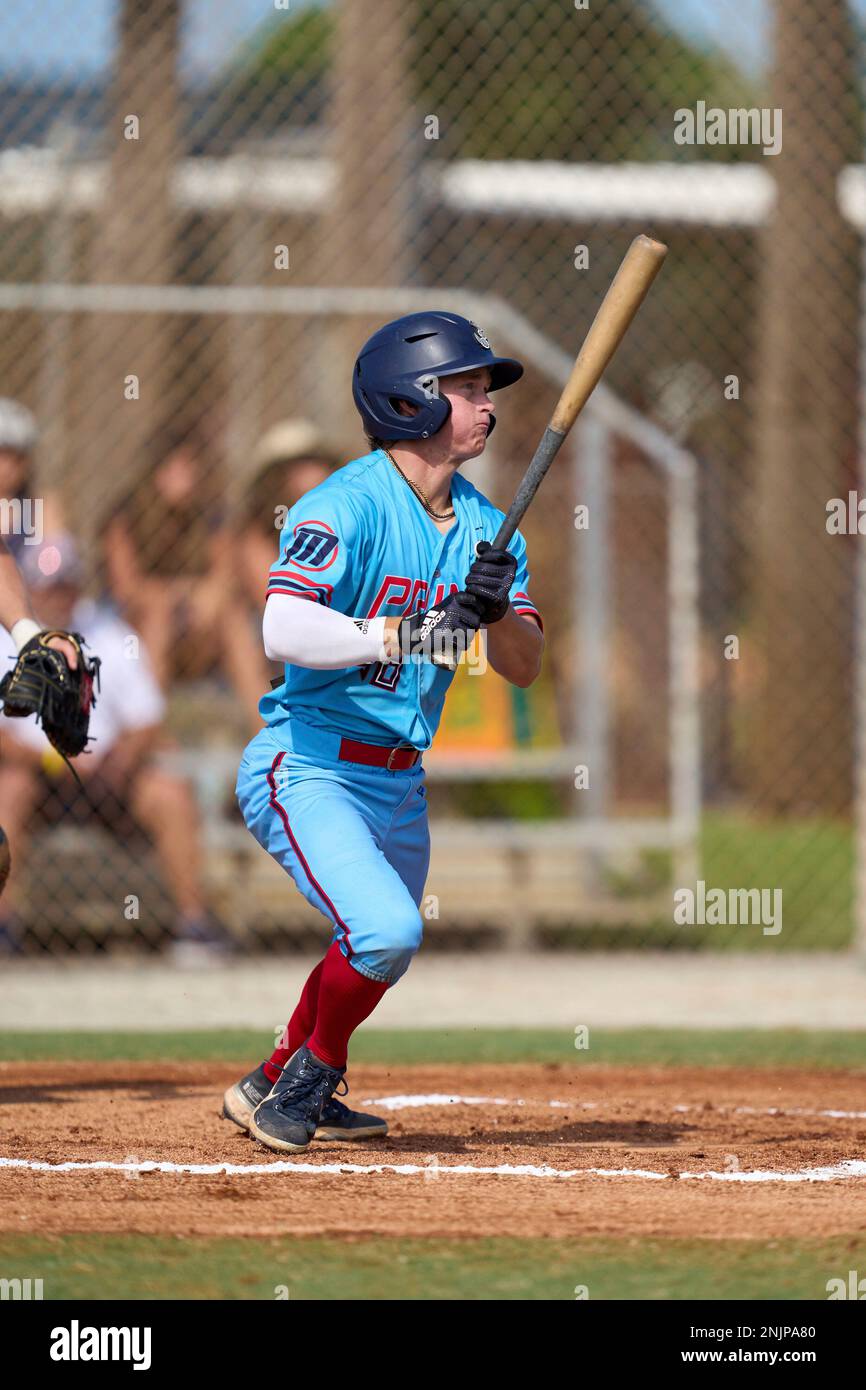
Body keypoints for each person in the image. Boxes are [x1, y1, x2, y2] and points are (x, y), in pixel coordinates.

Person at [225, 311, 544, 1151]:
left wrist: (496, 606)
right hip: (311, 761)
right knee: (388, 932)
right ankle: (309, 1077)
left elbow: (525, 665)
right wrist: (403, 631)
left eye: (485, 390)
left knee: (374, 942)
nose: (487, 405)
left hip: (400, 779)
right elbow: (283, 629)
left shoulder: (486, 529)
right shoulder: (345, 505)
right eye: (467, 388)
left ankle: (270, 1077)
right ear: (411, 399)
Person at [0, 533, 228, 958]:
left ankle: (196, 925)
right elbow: (4, 739)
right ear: (28, 587)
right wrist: (55, 758)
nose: (59, 594)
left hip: (109, 773)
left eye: (67, 583)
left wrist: (119, 757)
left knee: (168, 793)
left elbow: (147, 718)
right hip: (38, 774)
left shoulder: (107, 630)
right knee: (7, 791)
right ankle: (4, 927)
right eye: (49, 585)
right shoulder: (9, 636)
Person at [102, 427, 264, 736]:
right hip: (138, 636)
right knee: (158, 614)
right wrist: (180, 593)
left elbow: (223, 582)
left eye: (189, 467)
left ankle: (265, 733)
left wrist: (197, 599)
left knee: (231, 616)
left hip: (196, 634)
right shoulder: (126, 516)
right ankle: (149, 736)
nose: (181, 476)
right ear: (154, 471)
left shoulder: (211, 518)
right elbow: (126, 591)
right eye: (172, 467)